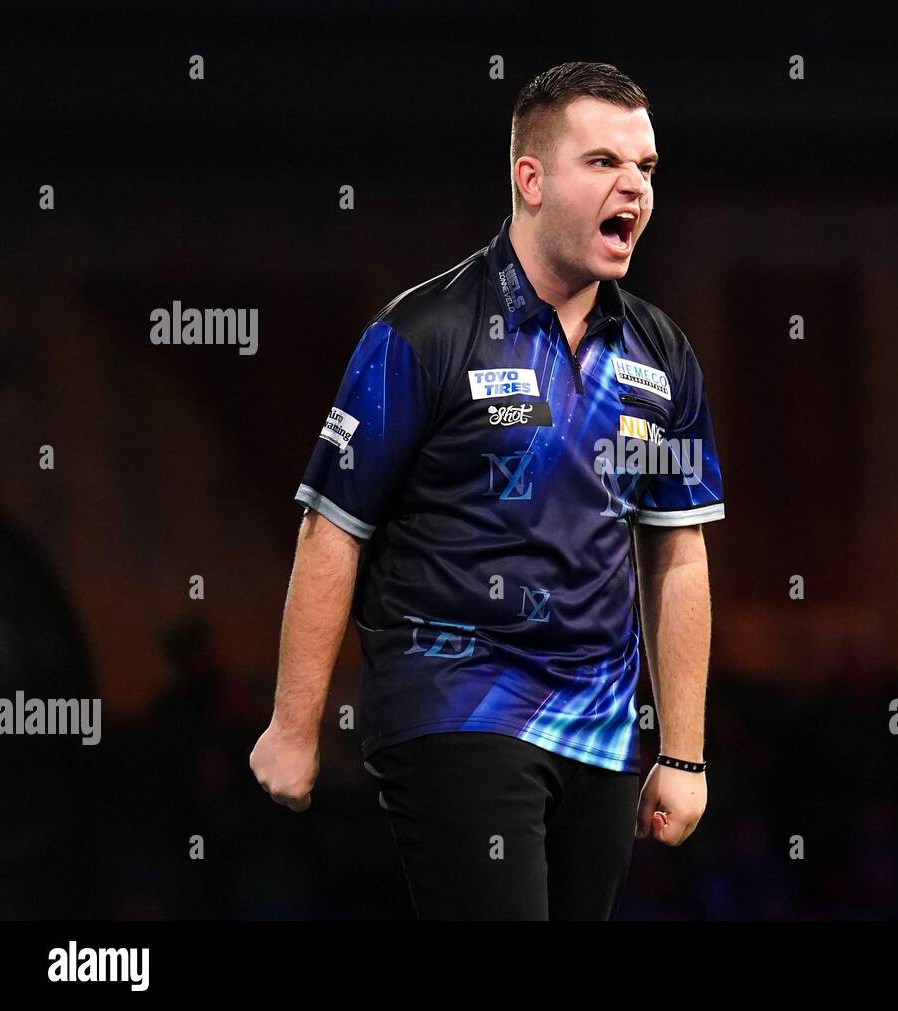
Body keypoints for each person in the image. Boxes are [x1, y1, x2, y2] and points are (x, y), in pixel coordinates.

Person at [249, 61, 725, 919]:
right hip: (456, 699)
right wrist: (294, 725)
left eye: (646, 168)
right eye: (604, 163)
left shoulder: (664, 357)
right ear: (531, 179)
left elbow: (677, 554)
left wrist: (683, 755)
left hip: (603, 725)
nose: (635, 187)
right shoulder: (421, 333)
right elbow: (333, 529)